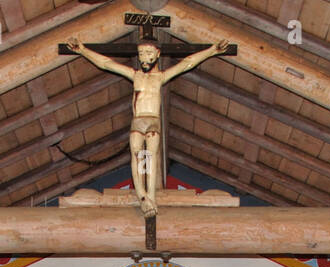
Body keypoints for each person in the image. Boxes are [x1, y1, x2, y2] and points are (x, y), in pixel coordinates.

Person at [67, 37, 228, 217]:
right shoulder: (135, 75)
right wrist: (82, 50)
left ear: (157, 54)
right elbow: (106, 63)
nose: (144, 57)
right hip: (138, 120)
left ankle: (150, 196)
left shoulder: (160, 77)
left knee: (150, 157)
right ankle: (142, 195)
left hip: (153, 119)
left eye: (148, 53)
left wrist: (212, 50)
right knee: (136, 156)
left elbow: (187, 63)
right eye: (141, 53)